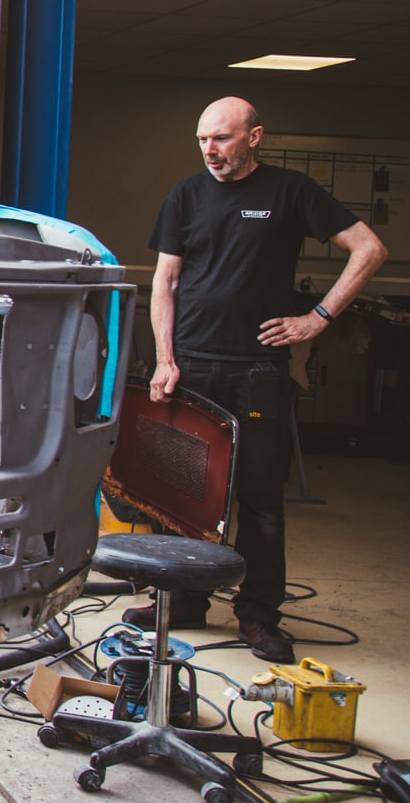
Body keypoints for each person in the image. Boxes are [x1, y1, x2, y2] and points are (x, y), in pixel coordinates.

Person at [138, 96, 387, 662]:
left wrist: (317, 319)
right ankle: (185, 601)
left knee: (261, 499)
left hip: (257, 371)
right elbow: (165, 284)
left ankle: (258, 614)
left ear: (254, 137)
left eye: (222, 139)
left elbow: (369, 249)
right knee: (183, 495)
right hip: (191, 368)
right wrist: (165, 358)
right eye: (203, 139)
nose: (210, 151)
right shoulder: (186, 195)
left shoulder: (291, 191)